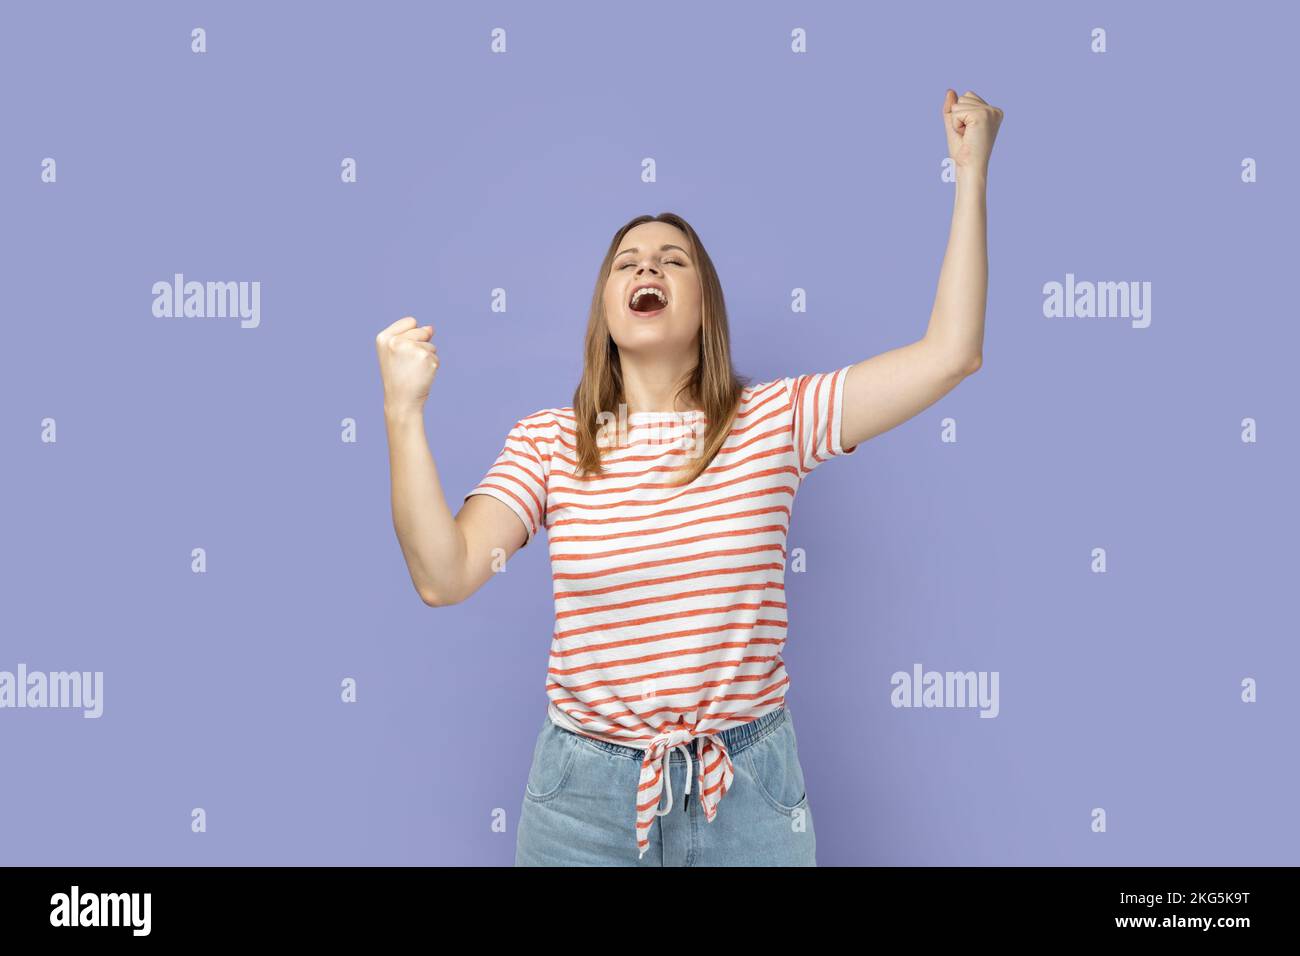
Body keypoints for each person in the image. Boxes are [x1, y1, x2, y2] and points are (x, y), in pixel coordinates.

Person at [375, 89, 1002, 866]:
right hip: (582, 802)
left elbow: (951, 354)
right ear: (606, 305)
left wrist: (969, 173)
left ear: (704, 303)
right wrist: (403, 414)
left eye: (673, 260)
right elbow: (445, 574)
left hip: (748, 792)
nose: (648, 267)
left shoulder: (774, 421)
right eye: (628, 262)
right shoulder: (550, 443)